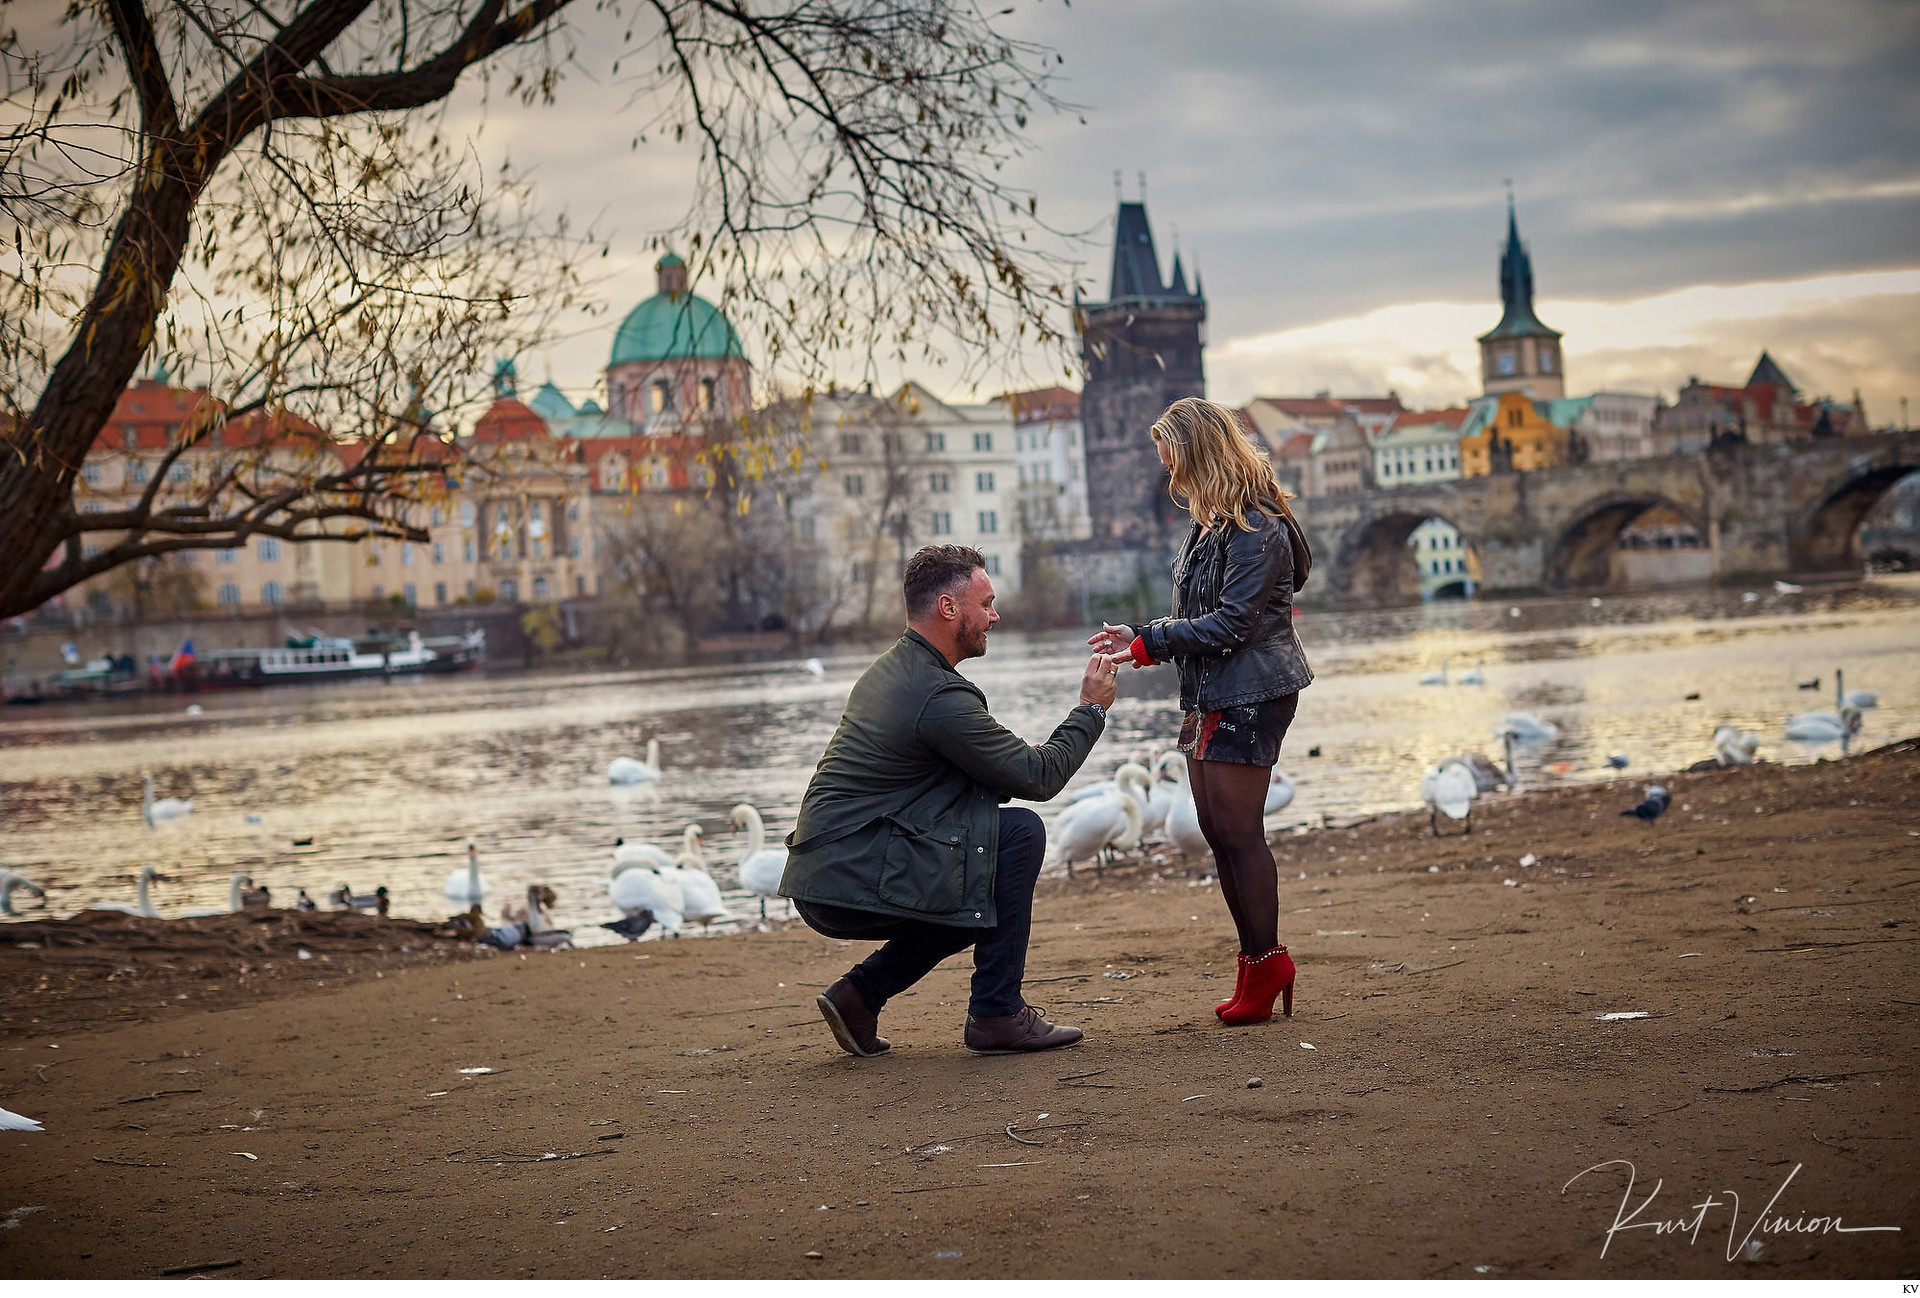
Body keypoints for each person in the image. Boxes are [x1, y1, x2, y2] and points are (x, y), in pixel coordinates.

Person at [780, 544, 1117, 1057]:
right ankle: (997, 1013)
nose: (995, 616)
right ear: (948, 607)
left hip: (828, 871)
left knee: (980, 865)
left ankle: (859, 997)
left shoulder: (895, 671)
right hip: (847, 876)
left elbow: (946, 783)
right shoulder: (937, 695)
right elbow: (1039, 777)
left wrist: (1002, 768)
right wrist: (1090, 709)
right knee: (1016, 837)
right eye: (987, 603)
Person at [1088, 396, 1314, 1026]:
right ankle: (1255, 964)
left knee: (1239, 833)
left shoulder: (1256, 525)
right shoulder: (1211, 522)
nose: (1168, 472)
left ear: (1198, 452)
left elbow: (1235, 622)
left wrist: (1152, 642)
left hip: (1252, 692)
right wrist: (1142, 635)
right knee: (1217, 831)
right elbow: (1199, 617)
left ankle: (1267, 963)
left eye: (1171, 458)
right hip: (1210, 689)